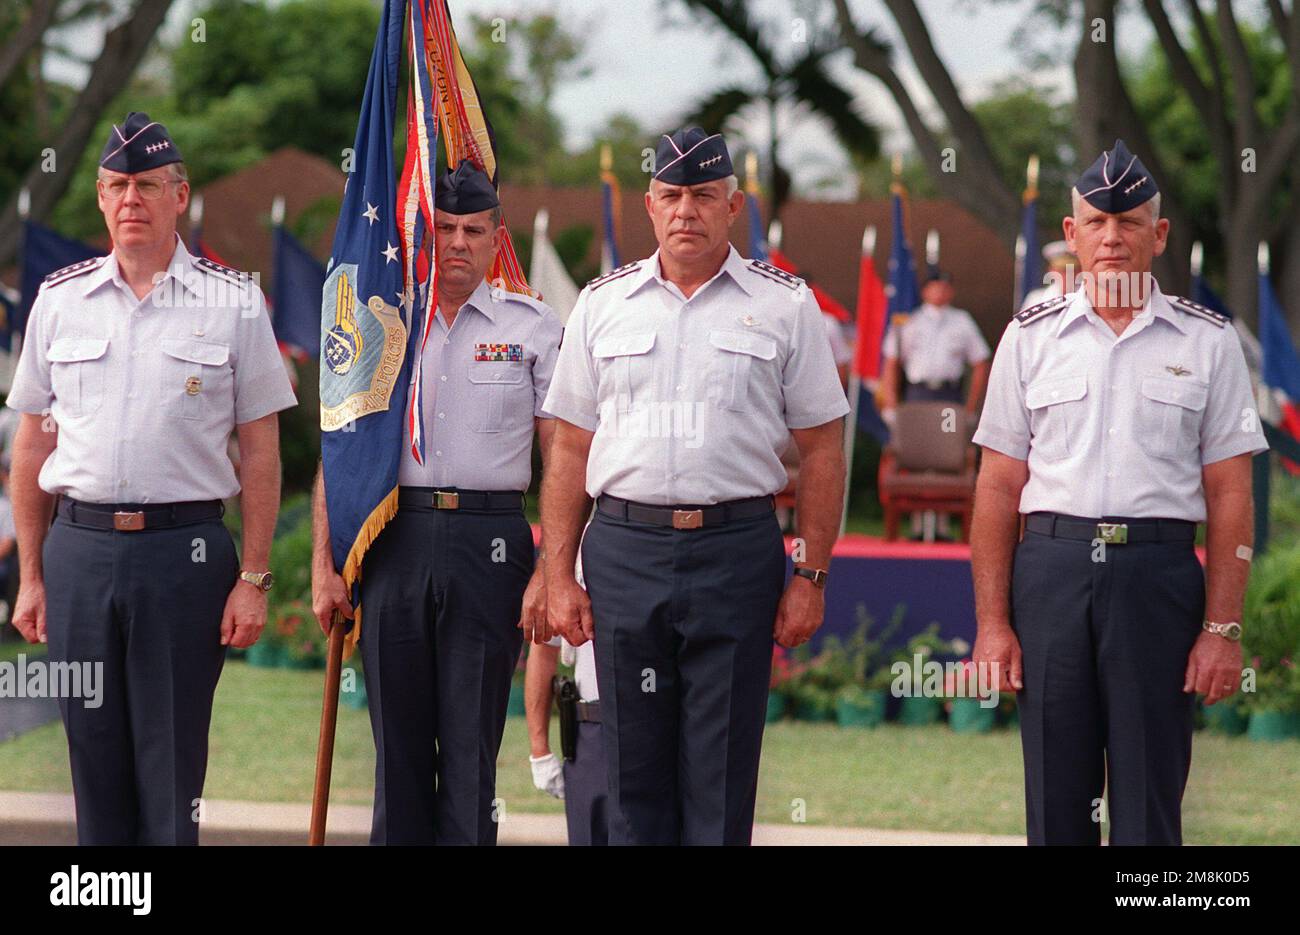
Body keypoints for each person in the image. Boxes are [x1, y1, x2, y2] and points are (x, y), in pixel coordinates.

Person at [539, 127, 849, 845]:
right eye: (672, 196)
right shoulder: (602, 303)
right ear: (648, 206)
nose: (687, 210)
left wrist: (810, 572)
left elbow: (823, 447)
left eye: (703, 195)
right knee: (632, 780)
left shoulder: (785, 305)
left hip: (735, 552)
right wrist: (557, 572)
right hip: (623, 550)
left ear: (733, 205)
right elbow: (569, 448)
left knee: (721, 776)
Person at [5, 112, 297, 845]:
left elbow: (261, 450)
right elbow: (31, 448)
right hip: (79, 551)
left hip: (185, 557)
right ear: (102, 199)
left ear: (179, 194)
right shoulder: (58, 300)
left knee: (171, 778)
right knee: (93, 772)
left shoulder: (232, 302)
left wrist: (254, 578)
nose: (130, 198)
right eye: (116, 186)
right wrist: (32, 576)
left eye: (146, 185)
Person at [970, 139, 1268, 846]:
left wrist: (1222, 629)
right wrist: (991, 622)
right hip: (1051, 576)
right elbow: (997, 486)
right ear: (1071, 234)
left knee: (1148, 809)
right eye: (1096, 222)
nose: (1112, 237)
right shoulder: (1029, 338)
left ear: (1158, 234)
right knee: (1055, 803)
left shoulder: (1207, 343)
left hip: (1157, 581)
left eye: (1130, 220)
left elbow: (1231, 494)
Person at [311, 159, 562, 845]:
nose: (455, 241)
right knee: (397, 754)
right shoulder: (381, 321)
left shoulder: (535, 327)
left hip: (491, 545)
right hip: (393, 538)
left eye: (472, 229)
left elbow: (564, 460)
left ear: (494, 238)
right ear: (420, 230)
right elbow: (342, 445)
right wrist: (323, 564)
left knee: (470, 756)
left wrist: (553, 566)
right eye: (443, 226)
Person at [881, 269, 990, 539]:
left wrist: (971, 405)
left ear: (950, 291)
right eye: (934, 287)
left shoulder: (962, 321)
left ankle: (941, 526)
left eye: (944, 287)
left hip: (948, 399)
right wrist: (891, 402)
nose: (939, 292)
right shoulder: (910, 320)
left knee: (945, 455)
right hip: (918, 395)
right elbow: (892, 362)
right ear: (925, 291)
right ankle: (918, 525)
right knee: (918, 455)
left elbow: (980, 361)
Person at [1020, 240, 1077, 310]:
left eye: (1073, 270)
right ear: (1051, 271)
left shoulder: (1087, 298)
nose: (1068, 275)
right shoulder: (1036, 300)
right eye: (1062, 270)